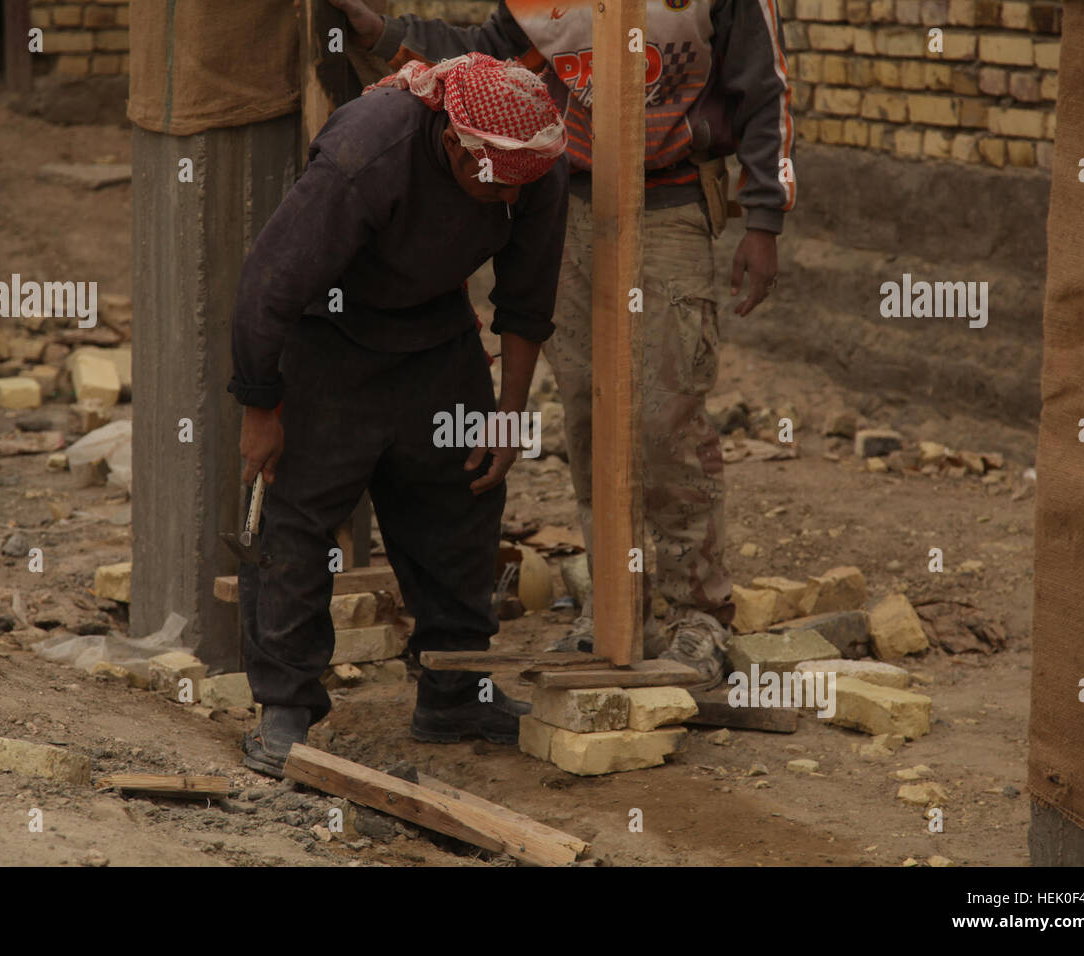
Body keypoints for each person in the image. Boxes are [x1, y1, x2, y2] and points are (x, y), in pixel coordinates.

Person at [331, 0, 795, 686]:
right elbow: (483, 60)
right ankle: (616, 602)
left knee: (666, 415)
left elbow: (765, 88)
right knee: (588, 408)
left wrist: (765, 217)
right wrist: (387, 36)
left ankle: (697, 611)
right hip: (569, 203)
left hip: (668, 200)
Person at [229, 53, 569, 777]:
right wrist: (262, 408)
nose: (503, 191)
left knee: (462, 498)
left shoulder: (534, 163)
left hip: (435, 336)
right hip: (329, 335)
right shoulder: (368, 151)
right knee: (295, 519)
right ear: (452, 140)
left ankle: (455, 691)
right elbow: (267, 285)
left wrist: (508, 416)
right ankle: (285, 706)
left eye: (517, 183)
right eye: (490, 178)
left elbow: (527, 300)